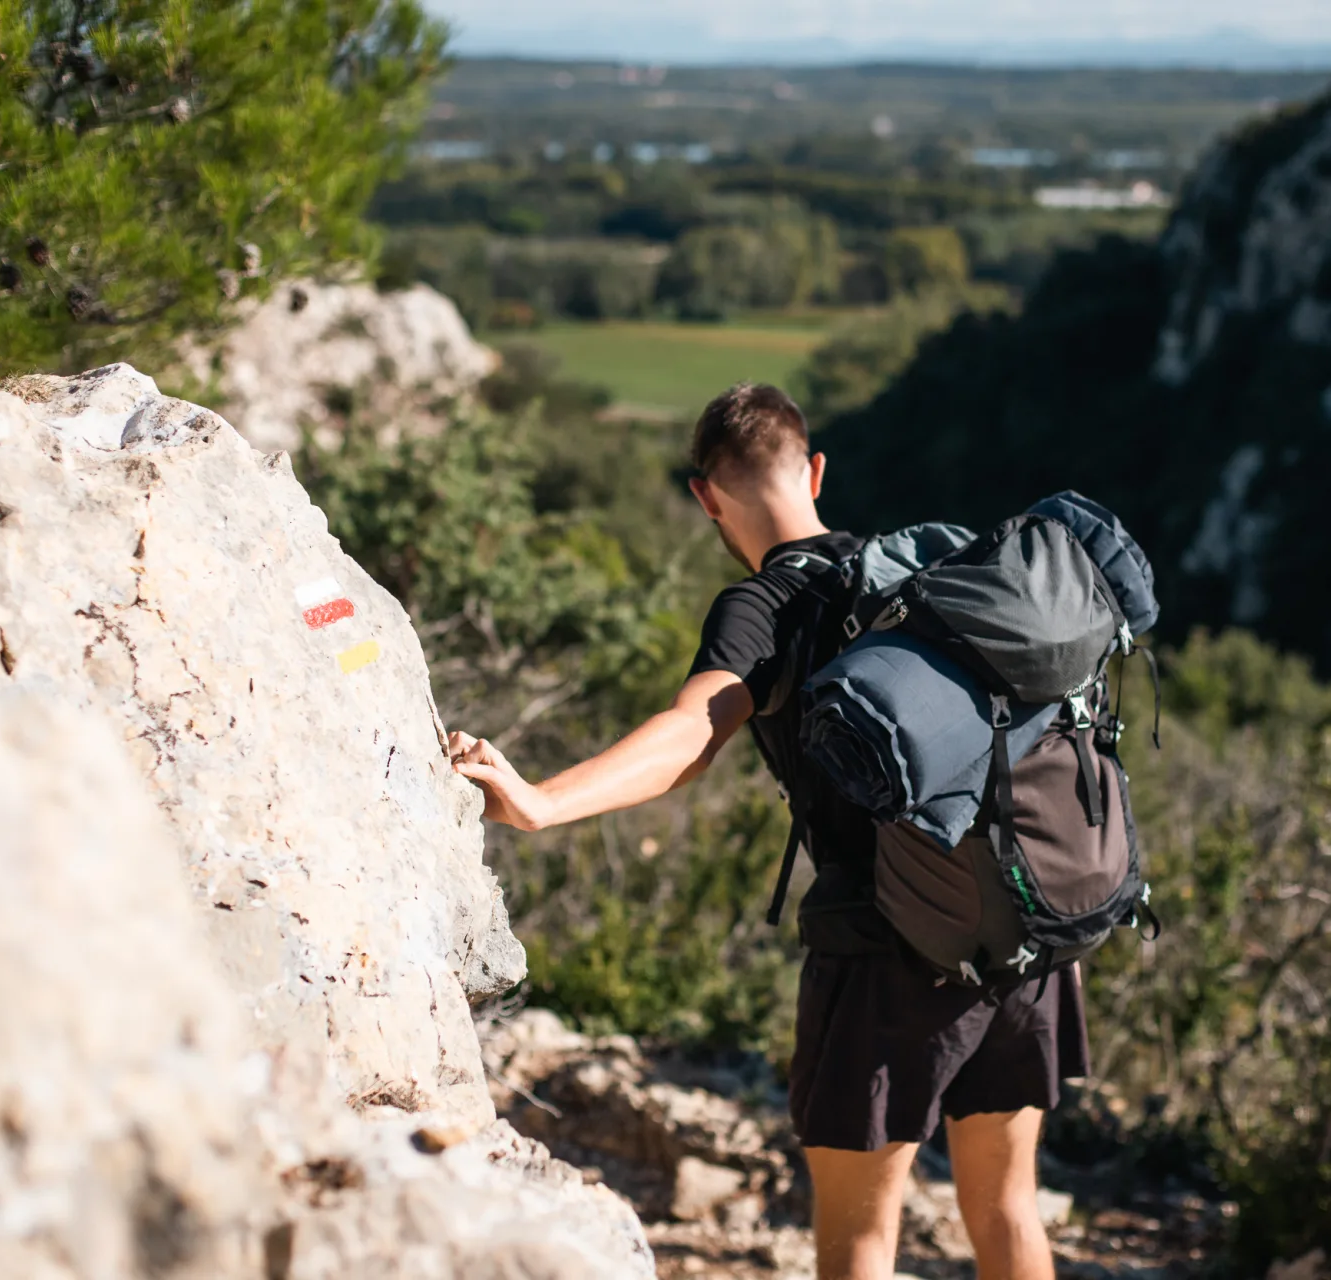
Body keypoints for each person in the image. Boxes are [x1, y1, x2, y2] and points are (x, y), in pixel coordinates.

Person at [448, 383, 1085, 1280]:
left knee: (862, 1238)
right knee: (1009, 1209)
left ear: (706, 497)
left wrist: (543, 798)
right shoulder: (921, 579)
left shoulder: (764, 608)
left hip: (883, 951)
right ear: (815, 470)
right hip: (1024, 922)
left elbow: (693, 732)